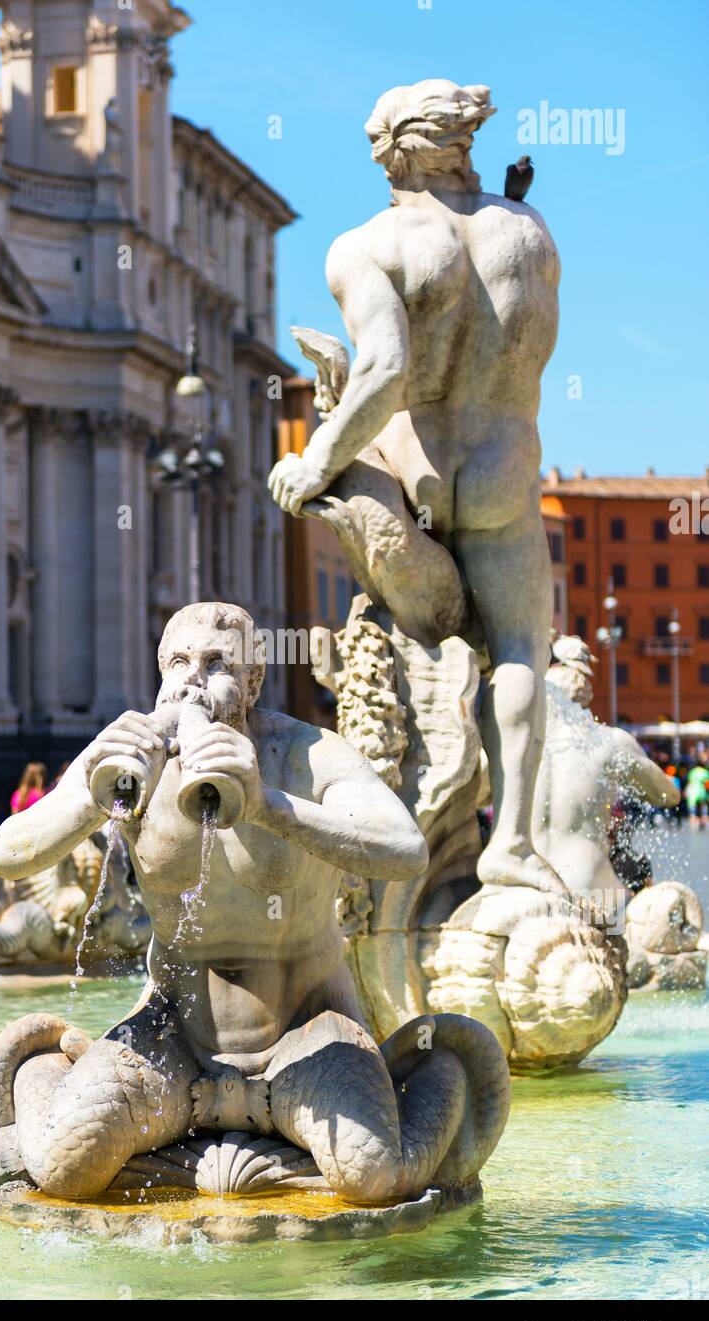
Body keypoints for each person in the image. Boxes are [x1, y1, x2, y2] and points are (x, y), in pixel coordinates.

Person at [0, 602, 510, 1204]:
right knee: (64, 1168)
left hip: (303, 1033)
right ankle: (47, 1071)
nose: (193, 681)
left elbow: (404, 850)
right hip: (175, 1033)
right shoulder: (131, 753)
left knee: (374, 1178)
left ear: (255, 681)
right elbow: (8, 854)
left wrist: (267, 805)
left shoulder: (306, 754)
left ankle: (434, 1069)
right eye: (178, 663)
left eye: (217, 665)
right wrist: (92, 798)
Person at [268, 79, 564, 904]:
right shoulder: (531, 232)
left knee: (409, 639)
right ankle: (508, 843)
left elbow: (384, 370)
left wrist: (315, 459)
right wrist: (503, 208)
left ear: (389, 151)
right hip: (506, 466)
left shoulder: (368, 244)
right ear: (459, 143)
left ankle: (402, 836)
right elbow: (506, 331)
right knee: (517, 653)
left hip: (418, 468)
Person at [685, 758, 709, 830]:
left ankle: (693, 820)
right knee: (703, 805)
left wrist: (686, 791)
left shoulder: (692, 772)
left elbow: (689, 782)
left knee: (693, 807)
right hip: (701, 791)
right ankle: (703, 819)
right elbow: (707, 783)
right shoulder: (705, 772)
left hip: (693, 791)